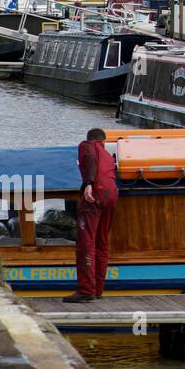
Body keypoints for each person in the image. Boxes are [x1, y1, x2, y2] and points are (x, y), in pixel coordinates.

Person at [64, 128, 117, 303]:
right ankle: (98, 289)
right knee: (102, 242)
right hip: (112, 195)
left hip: (95, 194)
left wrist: (88, 184)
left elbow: (89, 160)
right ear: (104, 140)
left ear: (90, 138)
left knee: (86, 242)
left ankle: (86, 290)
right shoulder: (109, 156)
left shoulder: (87, 146)